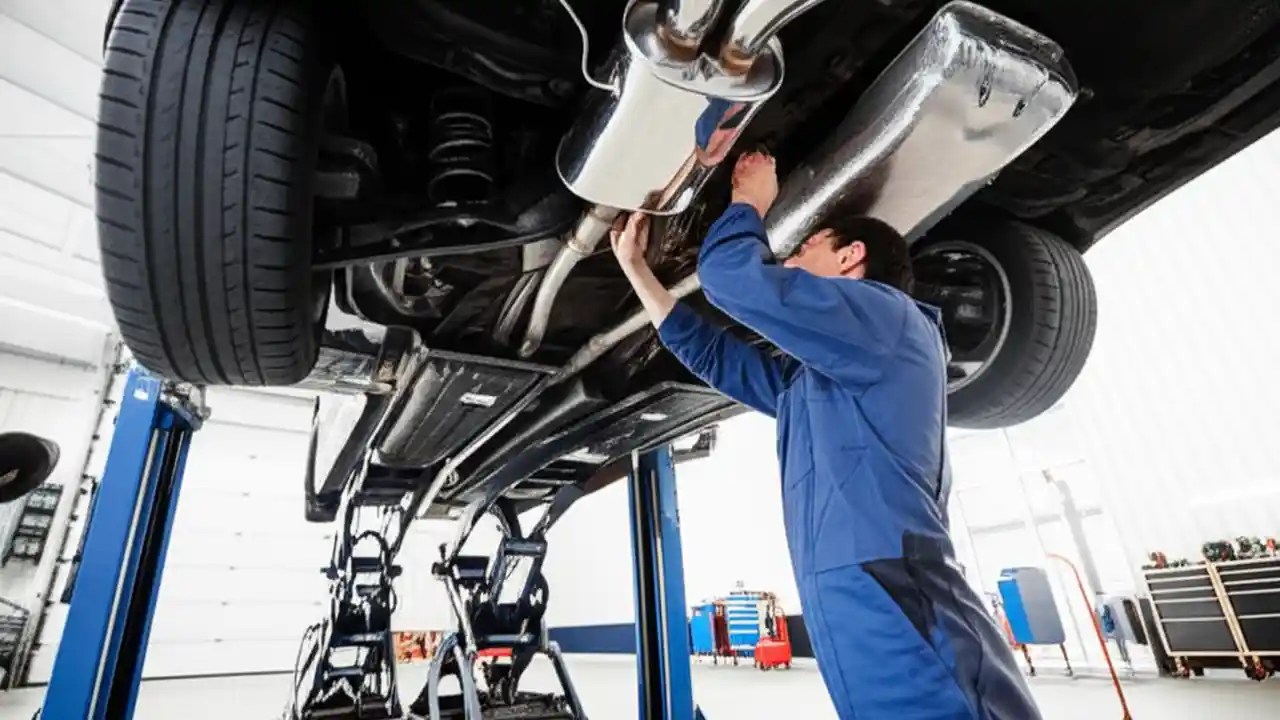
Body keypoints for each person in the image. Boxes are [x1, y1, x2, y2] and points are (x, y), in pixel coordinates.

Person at [609, 151, 1042, 719]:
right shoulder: (817, 379)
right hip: (859, 592)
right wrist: (637, 272)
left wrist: (751, 202)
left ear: (851, 257)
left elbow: (730, 278)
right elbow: (714, 355)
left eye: (805, 244)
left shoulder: (891, 320)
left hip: (897, 592)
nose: (790, 255)